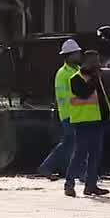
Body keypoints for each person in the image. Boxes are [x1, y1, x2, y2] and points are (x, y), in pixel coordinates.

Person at [64, 49, 110, 198]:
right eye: (95, 62)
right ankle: (69, 184)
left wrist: (106, 116)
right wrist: (94, 78)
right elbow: (84, 93)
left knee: (95, 155)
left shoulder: (95, 78)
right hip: (83, 122)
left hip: (97, 121)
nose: (98, 64)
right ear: (87, 62)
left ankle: (91, 186)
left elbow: (101, 99)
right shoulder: (75, 79)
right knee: (80, 154)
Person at [38, 38, 82, 180]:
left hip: (78, 114)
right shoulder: (63, 74)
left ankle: (56, 168)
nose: (79, 55)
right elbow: (66, 96)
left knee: (71, 143)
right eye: (76, 53)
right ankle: (47, 167)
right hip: (69, 114)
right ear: (69, 55)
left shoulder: (77, 71)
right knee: (71, 142)